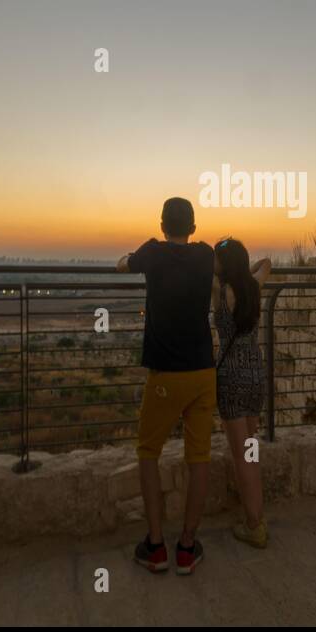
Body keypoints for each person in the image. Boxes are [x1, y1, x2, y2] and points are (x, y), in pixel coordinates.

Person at [117, 197, 216, 575]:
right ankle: (187, 547)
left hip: (165, 375)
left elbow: (124, 265)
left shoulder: (152, 253)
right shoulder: (206, 254)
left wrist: (129, 258)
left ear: (162, 225)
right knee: (199, 458)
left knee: (147, 451)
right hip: (203, 372)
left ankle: (156, 545)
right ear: (193, 227)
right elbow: (230, 260)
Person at [212, 238, 271, 548]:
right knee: (251, 450)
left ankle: (254, 525)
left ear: (223, 264)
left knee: (241, 456)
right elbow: (267, 263)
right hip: (255, 374)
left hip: (231, 377)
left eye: (215, 259)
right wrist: (245, 273)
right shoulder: (253, 287)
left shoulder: (219, 291)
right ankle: (257, 515)